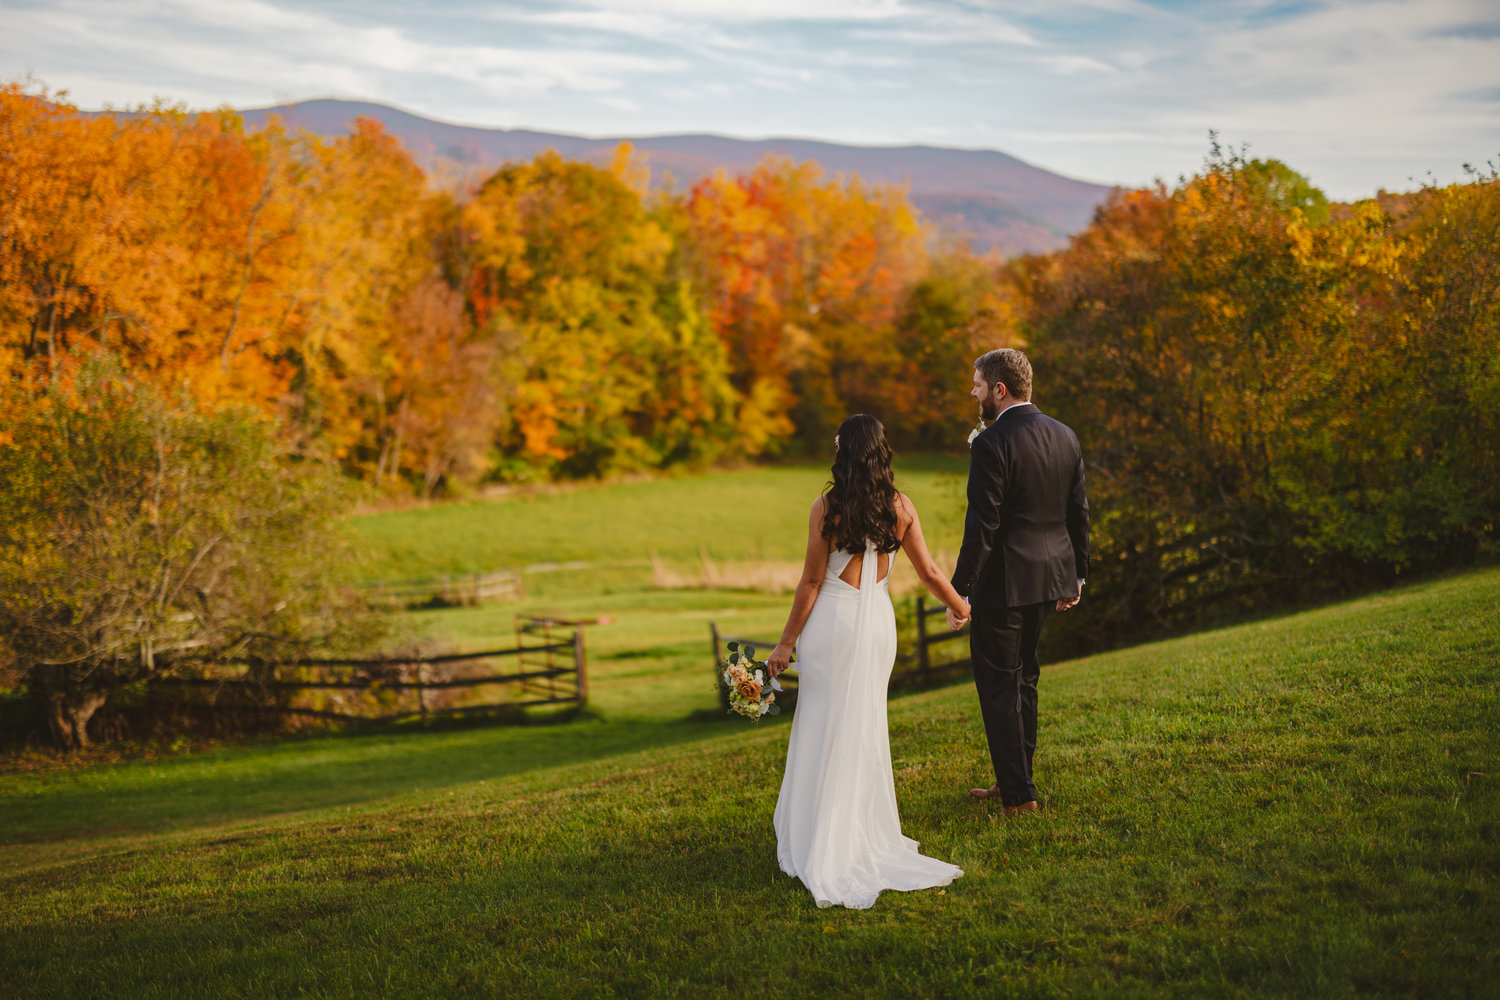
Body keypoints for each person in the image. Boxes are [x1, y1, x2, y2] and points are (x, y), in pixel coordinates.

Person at [766, 414, 970, 909]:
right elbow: (929, 571)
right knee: (863, 724)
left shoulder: (826, 507)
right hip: (877, 625)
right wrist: (960, 604)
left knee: (822, 721)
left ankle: (821, 833)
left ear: (843, 452)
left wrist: (784, 643)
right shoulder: (901, 507)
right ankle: (859, 830)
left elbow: (812, 582)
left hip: (832, 625)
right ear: (881, 452)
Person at [949, 348, 1089, 817]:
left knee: (998, 686)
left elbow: (982, 527)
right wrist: (1077, 574)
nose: (973, 392)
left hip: (1003, 587)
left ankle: (1018, 796)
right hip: (1049, 581)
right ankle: (1016, 780)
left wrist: (959, 589)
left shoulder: (991, 444)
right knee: (1025, 679)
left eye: (977, 385)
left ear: (999, 389)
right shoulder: (1065, 435)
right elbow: (1078, 513)